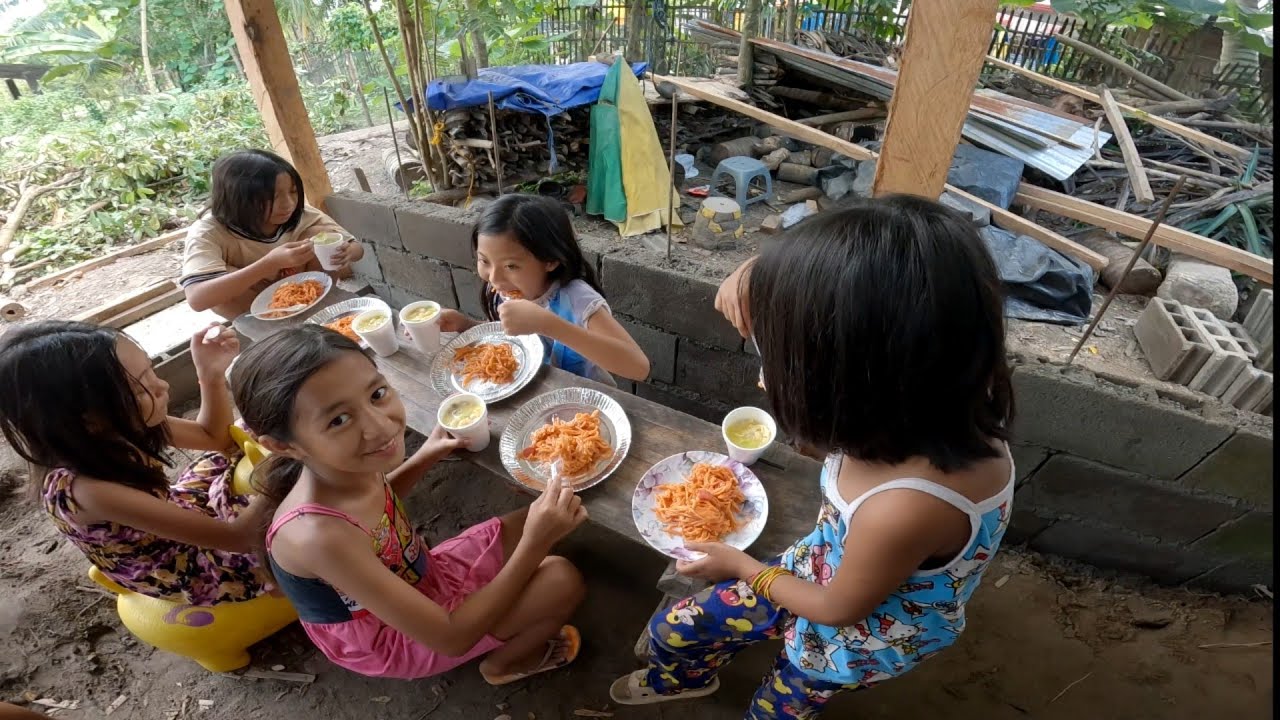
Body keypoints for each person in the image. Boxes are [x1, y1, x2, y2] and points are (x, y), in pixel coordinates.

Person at [609, 195, 1017, 718]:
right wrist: (755, 278)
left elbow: (836, 608)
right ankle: (686, 678)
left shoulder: (905, 508)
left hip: (854, 630)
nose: (763, 377)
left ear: (851, 377)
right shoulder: (927, 397)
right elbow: (868, 293)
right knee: (675, 629)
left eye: (776, 360)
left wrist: (740, 564)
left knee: (782, 702)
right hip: (820, 563)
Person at [231, 325, 587, 681]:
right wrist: (535, 544)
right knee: (561, 577)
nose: (380, 426)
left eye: (377, 394)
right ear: (284, 445)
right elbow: (451, 637)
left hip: (420, 573)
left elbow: (375, 506)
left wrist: (424, 457)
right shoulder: (317, 536)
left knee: (545, 512)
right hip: (392, 637)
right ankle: (502, 665)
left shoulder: (344, 464)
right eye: (339, 420)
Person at [0, 321, 272, 606]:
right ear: (88, 418)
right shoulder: (87, 491)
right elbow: (238, 538)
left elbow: (213, 437)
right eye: (141, 389)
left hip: (178, 507)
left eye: (151, 371)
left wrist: (210, 373)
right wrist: (286, 470)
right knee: (290, 521)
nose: (162, 385)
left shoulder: (116, 422)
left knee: (252, 433)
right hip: (191, 566)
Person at [435, 194, 650, 384]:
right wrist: (466, 325)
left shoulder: (577, 298)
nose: (494, 278)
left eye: (511, 266)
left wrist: (547, 324)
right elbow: (511, 334)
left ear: (550, 260)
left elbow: (639, 367)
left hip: (587, 399)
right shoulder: (508, 289)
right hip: (535, 390)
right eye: (484, 261)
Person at [180, 149, 365, 319]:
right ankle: (272, 327)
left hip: (303, 287)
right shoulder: (208, 232)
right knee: (217, 282)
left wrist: (348, 252)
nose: (288, 204)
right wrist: (270, 264)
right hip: (251, 304)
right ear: (239, 199)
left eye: (293, 192)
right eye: (273, 197)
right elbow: (197, 298)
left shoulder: (301, 214)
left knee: (319, 235)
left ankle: (318, 305)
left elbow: (357, 248)